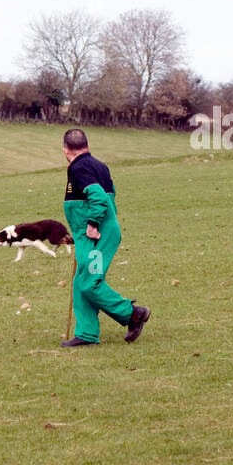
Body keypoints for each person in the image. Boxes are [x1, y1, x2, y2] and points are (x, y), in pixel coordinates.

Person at [60, 128, 150, 346]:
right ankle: (87, 334)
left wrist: (91, 225)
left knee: (89, 282)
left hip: (95, 234)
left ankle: (132, 314)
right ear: (87, 146)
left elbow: (99, 198)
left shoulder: (79, 168)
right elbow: (110, 198)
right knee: (82, 280)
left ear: (65, 150)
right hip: (96, 232)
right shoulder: (100, 166)